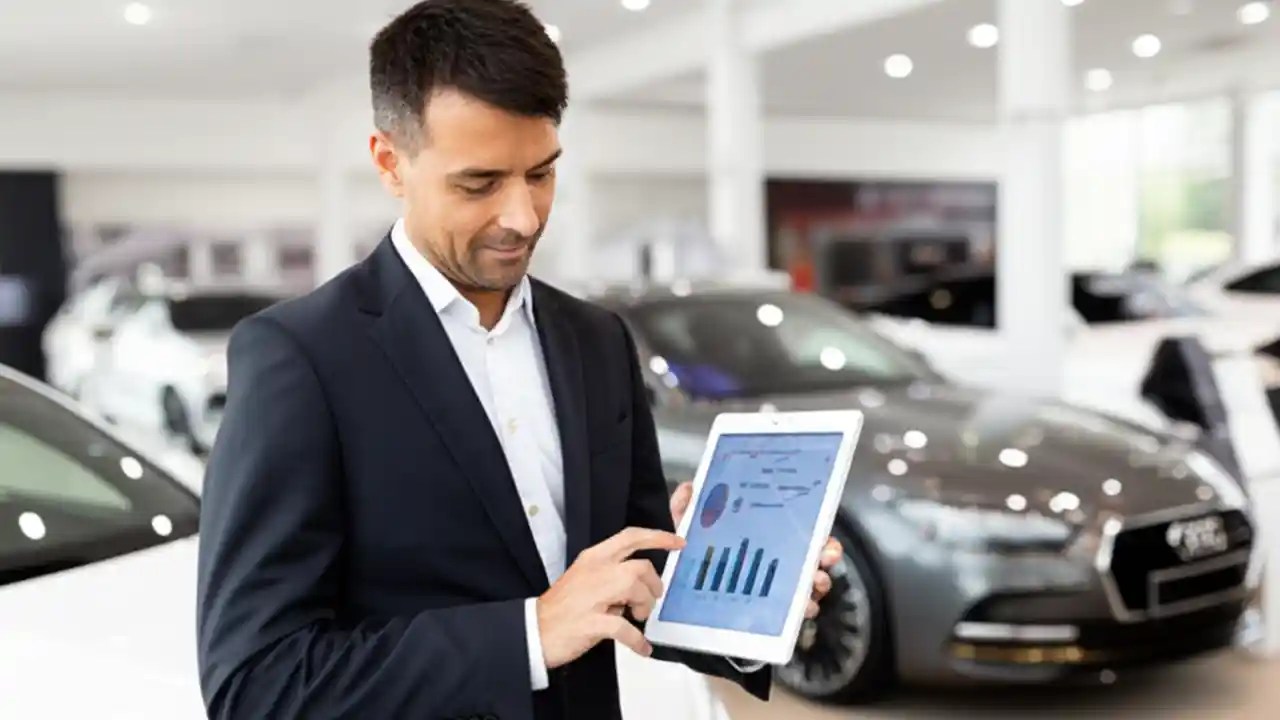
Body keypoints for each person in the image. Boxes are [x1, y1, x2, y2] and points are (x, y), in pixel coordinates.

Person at [194, 1, 841, 718]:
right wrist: (528, 634)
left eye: (542, 174)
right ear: (389, 163)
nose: (523, 217)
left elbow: (618, 585)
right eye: (479, 184)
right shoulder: (300, 358)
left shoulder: (597, 339)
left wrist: (737, 598)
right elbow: (256, 682)